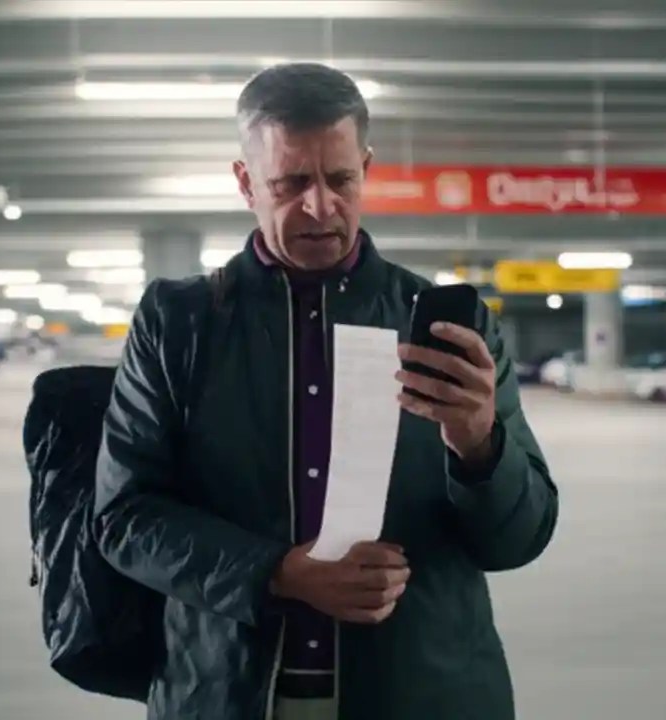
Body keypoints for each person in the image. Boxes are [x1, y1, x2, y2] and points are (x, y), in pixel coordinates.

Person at [95, 62, 559, 720]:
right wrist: (277, 572)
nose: (320, 206)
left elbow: (519, 539)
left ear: (366, 168)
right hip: (228, 695)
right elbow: (125, 518)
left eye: (340, 179)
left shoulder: (448, 324)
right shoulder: (179, 323)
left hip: (424, 695)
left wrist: (479, 444)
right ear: (244, 181)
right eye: (290, 183)